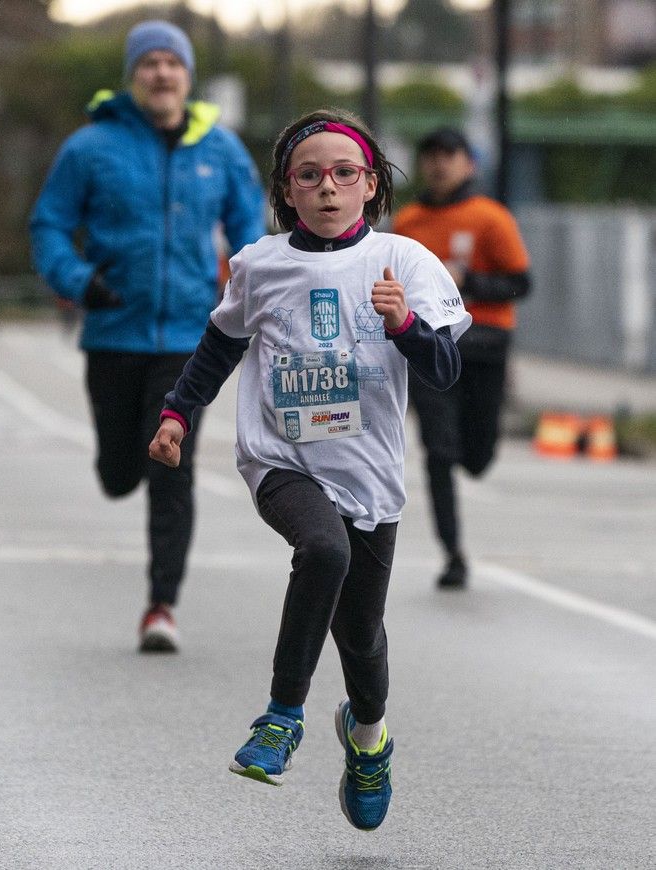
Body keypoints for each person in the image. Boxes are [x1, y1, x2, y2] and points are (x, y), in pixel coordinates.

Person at [148, 109, 470, 829]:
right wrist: (176, 413)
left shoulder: (406, 263)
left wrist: (406, 328)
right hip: (280, 459)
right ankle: (282, 716)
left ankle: (368, 738)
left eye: (345, 173)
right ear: (286, 191)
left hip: (370, 477)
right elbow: (218, 346)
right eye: (309, 175)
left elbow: (446, 372)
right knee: (320, 547)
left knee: (362, 637)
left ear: (372, 187)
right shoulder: (260, 264)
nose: (328, 188)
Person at [30, 20, 266, 651]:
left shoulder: (220, 149)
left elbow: (253, 234)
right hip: (112, 332)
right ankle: (121, 459)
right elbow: (49, 225)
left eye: (173, 63)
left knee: (172, 467)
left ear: (187, 77)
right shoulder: (90, 148)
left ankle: (161, 605)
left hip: (190, 341)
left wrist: (243, 298)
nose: (162, 73)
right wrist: (80, 281)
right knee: (119, 471)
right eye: (150, 63)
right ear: (134, 76)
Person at [393, 127, 531, 589]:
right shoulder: (408, 221)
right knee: (438, 452)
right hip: (431, 347)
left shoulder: (490, 218)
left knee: (477, 455)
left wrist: (467, 280)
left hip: (486, 346)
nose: (438, 164)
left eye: (448, 155)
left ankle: (471, 454)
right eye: (430, 155)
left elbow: (521, 284)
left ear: (469, 163)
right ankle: (452, 552)